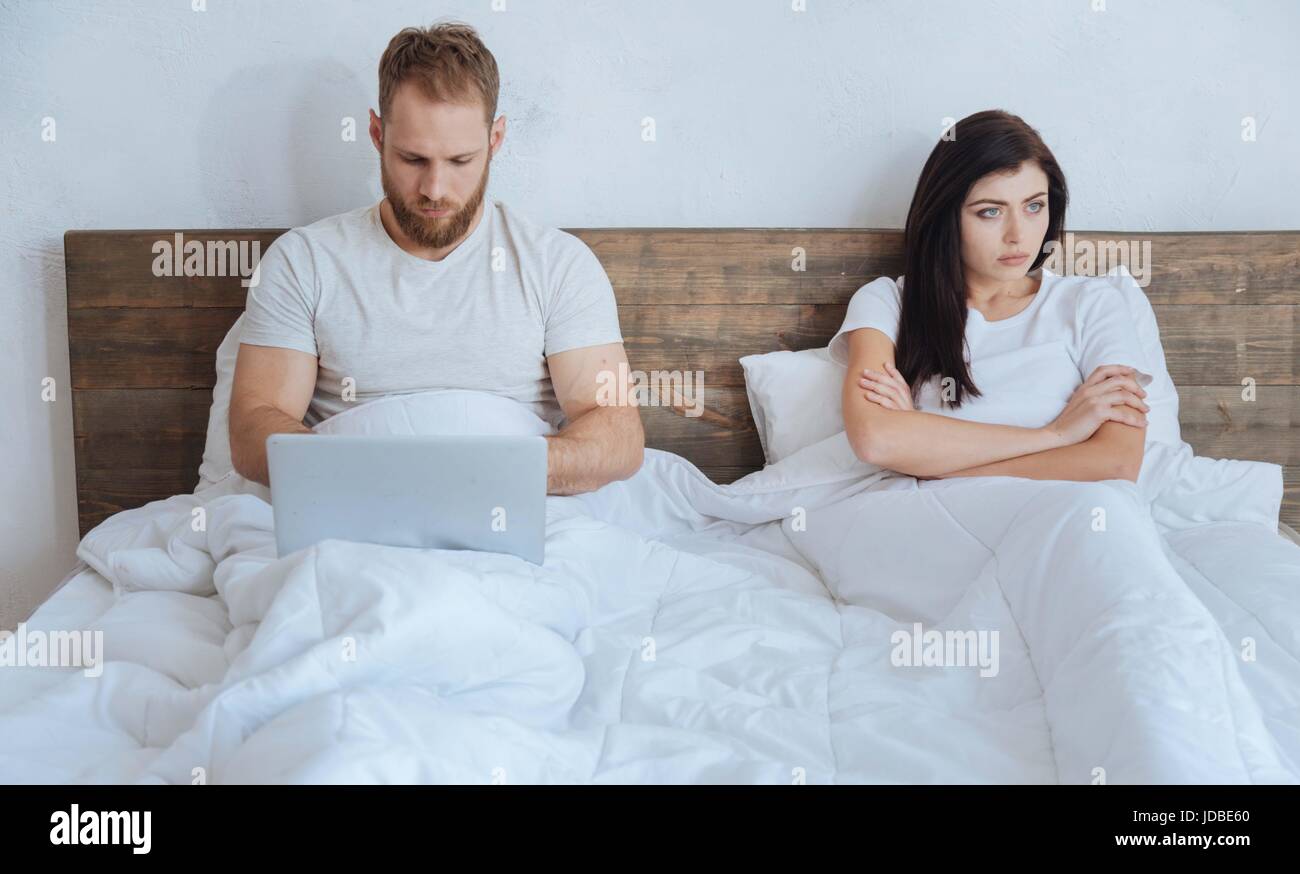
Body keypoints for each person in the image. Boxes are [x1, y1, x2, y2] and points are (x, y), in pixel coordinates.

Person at [229, 21, 644, 495]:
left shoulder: (558, 266)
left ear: (495, 140)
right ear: (376, 133)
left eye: (460, 161)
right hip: (355, 501)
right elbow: (254, 426)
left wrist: (485, 473)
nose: (434, 188)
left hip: (509, 499)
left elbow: (616, 432)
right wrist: (382, 479)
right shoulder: (303, 262)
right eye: (413, 159)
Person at [833, 109, 1152, 483]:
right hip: (937, 510)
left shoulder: (1093, 302)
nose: (1018, 235)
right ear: (945, 216)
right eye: (990, 212)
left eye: (1034, 206)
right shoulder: (887, 303)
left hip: (1062, 506)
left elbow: (1117, 463)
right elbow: (876, 441)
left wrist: (927, 458)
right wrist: (1057, 435)